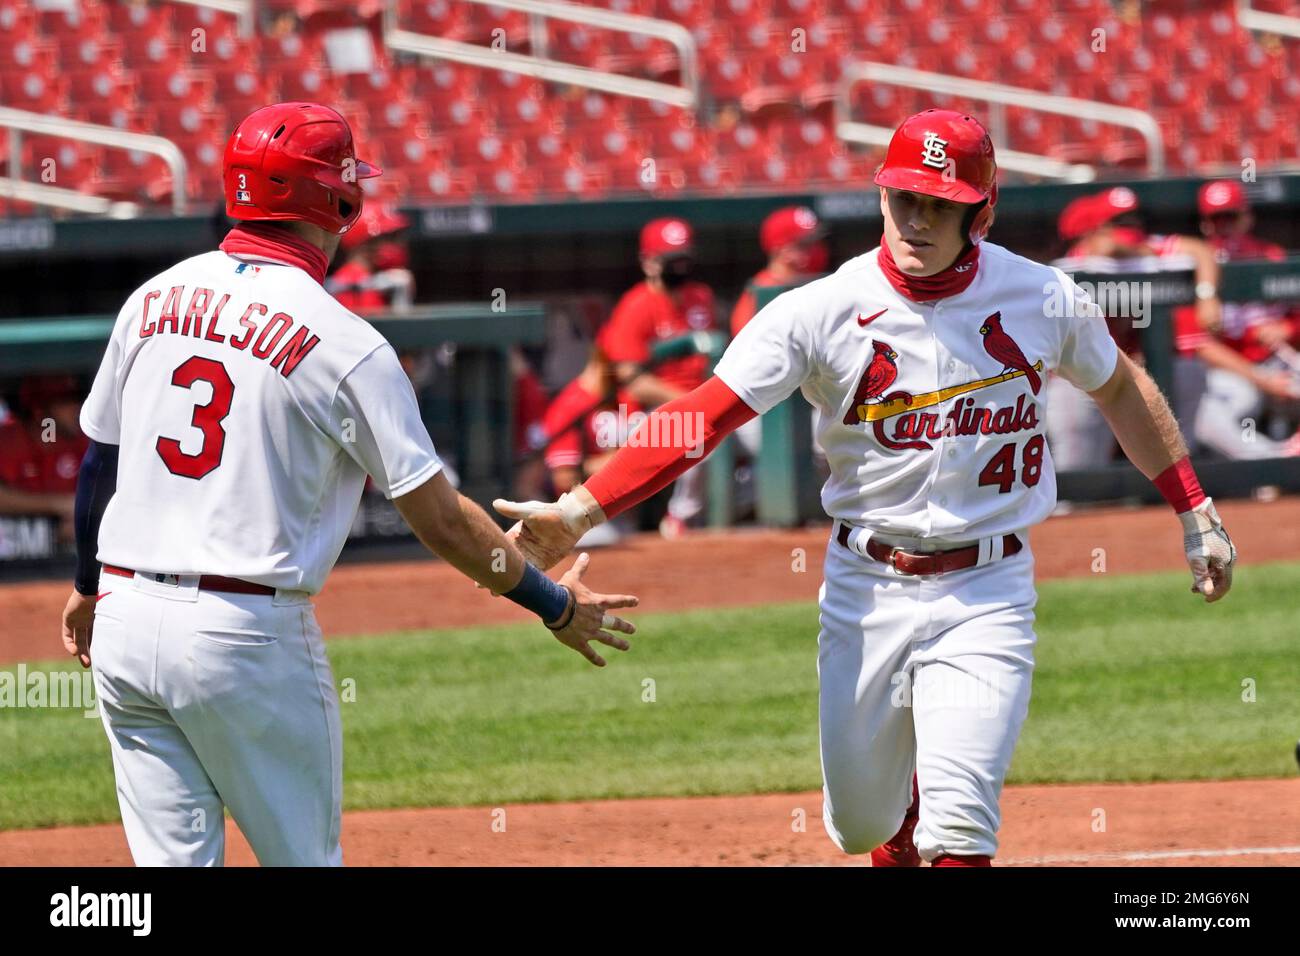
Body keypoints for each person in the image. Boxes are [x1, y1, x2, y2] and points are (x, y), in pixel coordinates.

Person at [493, 109, 1238, 866]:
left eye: (940, 204)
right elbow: (703, 415)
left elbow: (1120, 387)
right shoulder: (819, 310)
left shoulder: (1040, 294)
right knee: (861, 824)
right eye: (903, 197)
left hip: (989, 587)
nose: (916, 219)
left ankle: (936, 813)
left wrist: (1195, 509)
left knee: (961, 827)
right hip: (866, 584)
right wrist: (582, 508)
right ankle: (898, 809)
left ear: (984, 210)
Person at [60, 102, 637, 867]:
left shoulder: (151, 298)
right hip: (244, 632)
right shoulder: (345, 341)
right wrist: (552, 602)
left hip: (125, 615)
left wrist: (85, 583)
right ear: (338, 201)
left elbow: (100, 461)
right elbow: (439, 519)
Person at [1045, 187, 1225, 469]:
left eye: (1133, 220)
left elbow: (1199, 250)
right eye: (1119, 222)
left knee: (1189, 371)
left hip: (1133, 372)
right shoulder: (1074, 263)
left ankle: (1181, 476)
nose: (1129, 228)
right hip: (1080, 375)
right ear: (1097, 229)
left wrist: (1206, 294)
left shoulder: (1145, 249)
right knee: (1077, 468)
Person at [597, 217, 717, 537]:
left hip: (706, 400)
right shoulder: (635, 306)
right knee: (696, 435)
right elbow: (632, 380)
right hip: (644, 413)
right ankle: (681, 519)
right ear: (649, 263)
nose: (679, 267)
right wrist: (694, 402)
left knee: (764, 435)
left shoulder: (701, 296)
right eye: (670, 261)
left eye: (684, 259)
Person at [1186, 180, 1300, 459]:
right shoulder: (1195, 269)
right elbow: (1199, 345)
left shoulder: (1272, 256)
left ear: (1247, 218)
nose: (1224, 227)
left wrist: (1287, 328)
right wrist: (1262, 380)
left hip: (1281, 363)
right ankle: (1274, 459)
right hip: (1233, 374)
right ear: (1204, 224)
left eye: (1231, 218)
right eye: (1216, 220)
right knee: (1204, 415)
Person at [0, 375, 88, 542]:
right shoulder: (9, 439)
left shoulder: (84, 442)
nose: (77, 407)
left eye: (78, 398)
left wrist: (85, 519)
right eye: (66, 401)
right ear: (39, 410)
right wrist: (59, 505)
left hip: (64, 562)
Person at [729, 205, 829, 337]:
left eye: (815, 242)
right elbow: (745, 344)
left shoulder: (819, 283)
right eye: (805, 244)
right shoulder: (761, 290)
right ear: (781, 249)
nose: (814, 249)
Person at [325, 203, 414, 314]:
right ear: (366, 243)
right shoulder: (351, 281)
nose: (398, 244)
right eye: (391, 237)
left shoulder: (372, 277)